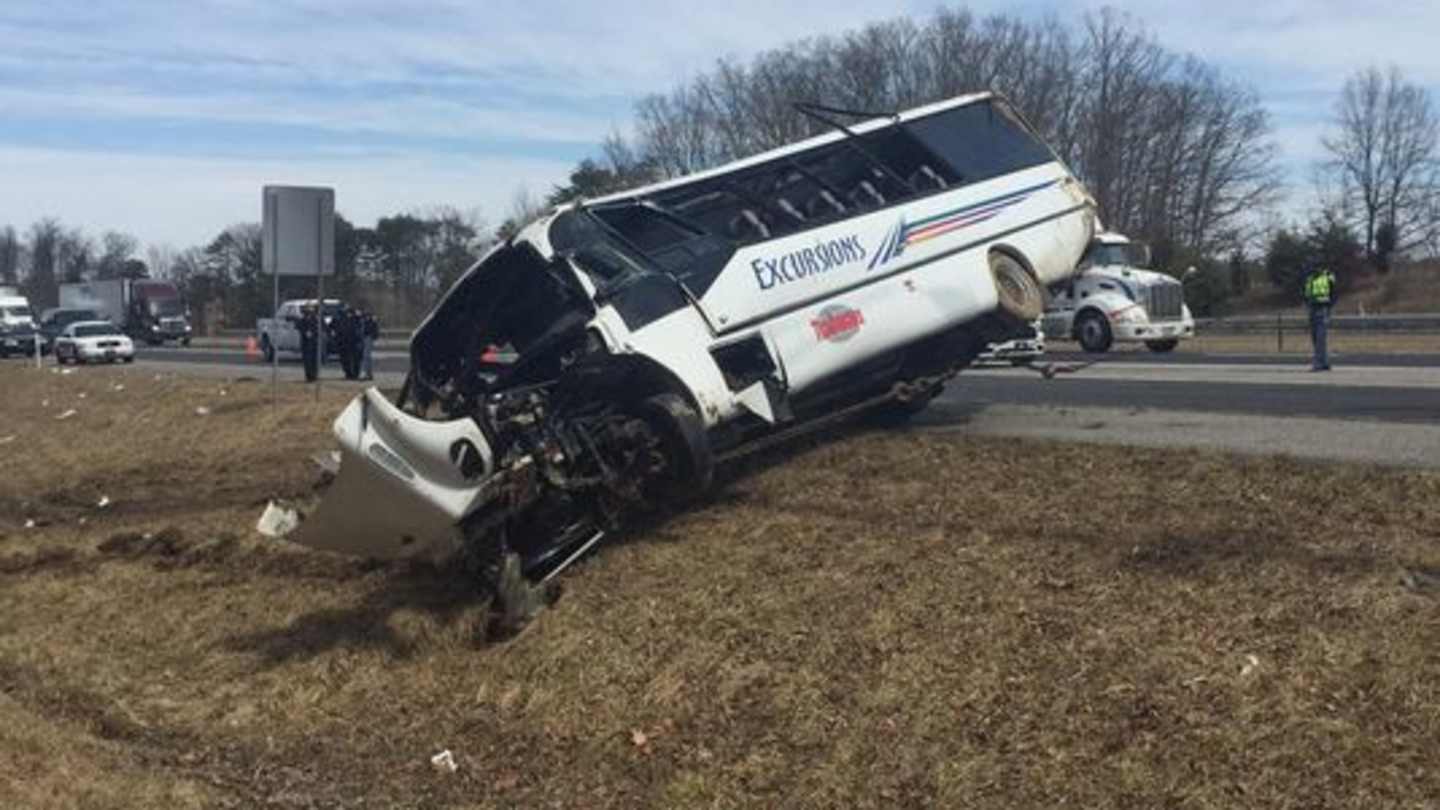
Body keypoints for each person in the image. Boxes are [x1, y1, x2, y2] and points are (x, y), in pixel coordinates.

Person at [1302, 263, 1337, 371]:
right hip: (1312, 308)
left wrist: (1329, 307)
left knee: (1320, 339)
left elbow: (1333, 292)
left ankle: (1318, 363)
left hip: (1323, 309)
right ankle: (1325, 362)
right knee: (1316, 338)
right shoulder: (1309, 278)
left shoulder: (1327, 277)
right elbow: (1306, 293)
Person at [299, 303, 320, 382]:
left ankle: (314, 375)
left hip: (314, 342)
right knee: (307, 360)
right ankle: (309, 376)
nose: (309, 312)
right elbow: (300, 327)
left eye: (310, 310)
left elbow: (321, 327)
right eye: (307, 310)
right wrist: (305, 332)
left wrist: (314, 333)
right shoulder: (302, 319)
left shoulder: (316, 319)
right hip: (306, 343)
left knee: (315, 360)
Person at [360, 308, 379, 381]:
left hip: (368, 338)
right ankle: (369, 373)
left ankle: (365, 373)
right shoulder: (366, 321)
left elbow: (373, 330)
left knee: (366, 356)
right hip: (366, 338)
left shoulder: (369, 321)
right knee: (367, 357)